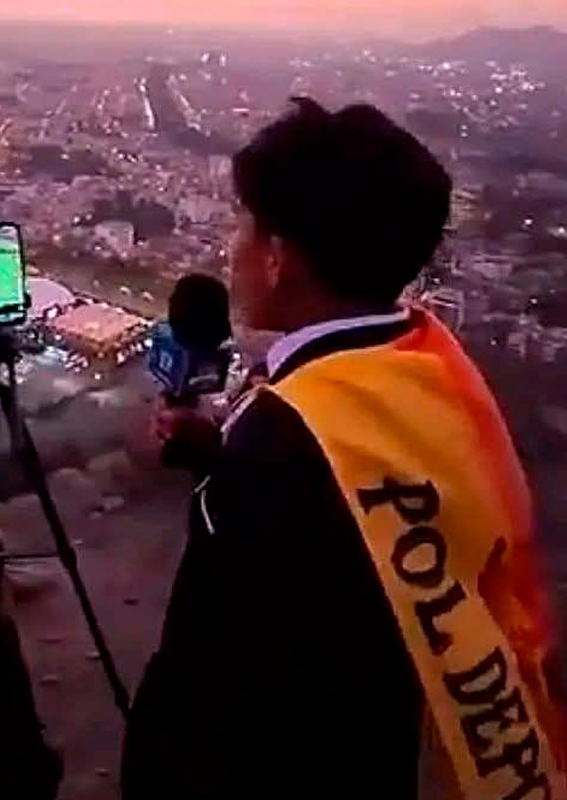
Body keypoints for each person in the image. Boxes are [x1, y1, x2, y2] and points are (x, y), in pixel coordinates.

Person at [122, 98, 567, 799]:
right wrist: (220, 456)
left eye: (245, 224)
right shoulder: (419, 370)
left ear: (277, 259)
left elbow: (219, 681)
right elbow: (353, 522)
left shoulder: (281, 445)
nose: (230, 247)